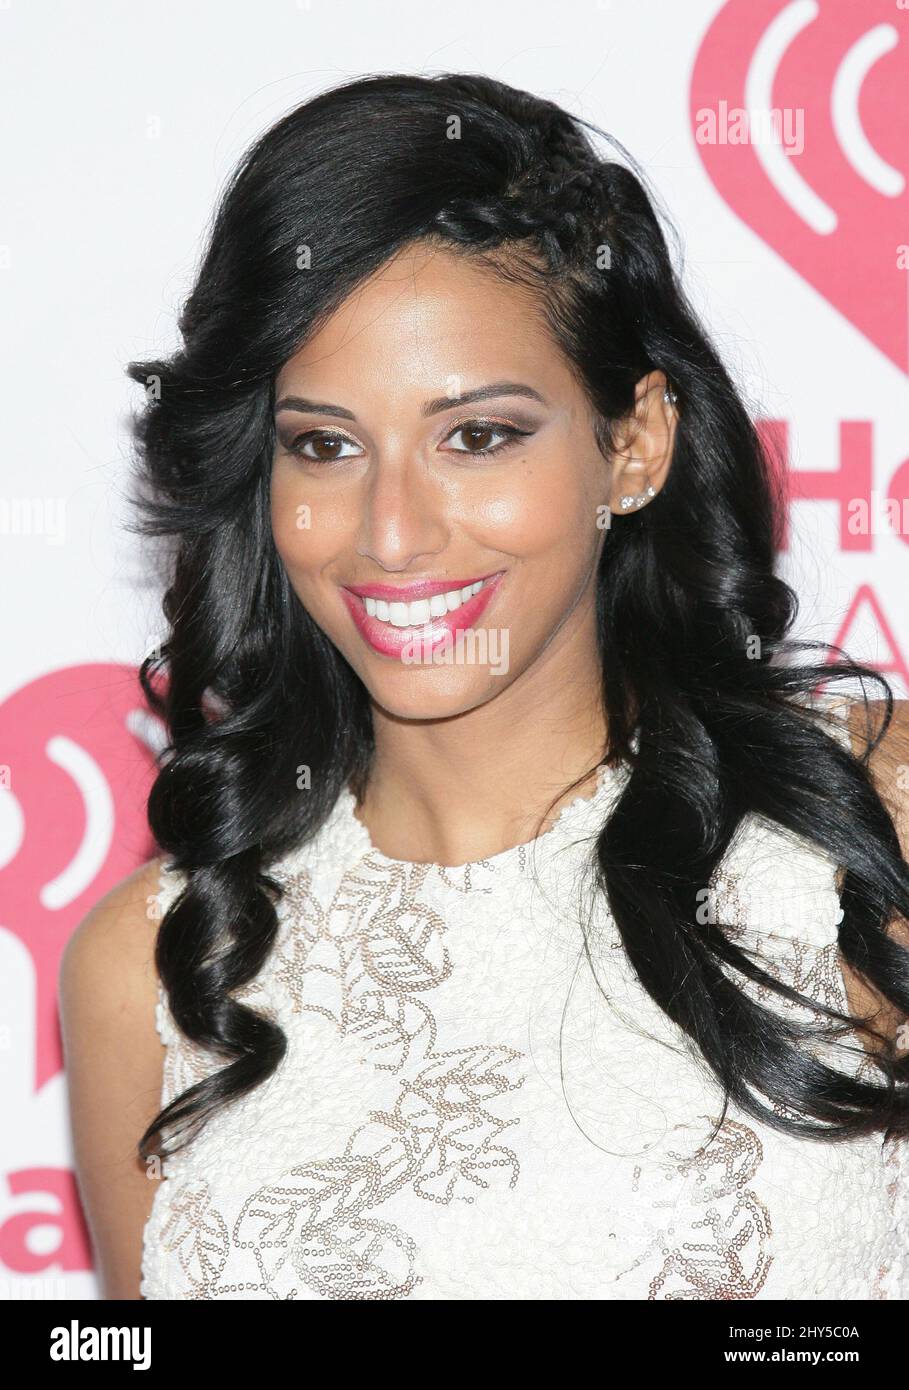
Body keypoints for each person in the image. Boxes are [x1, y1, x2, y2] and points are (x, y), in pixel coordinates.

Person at [59, 72, 909, 1301]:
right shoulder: (153, 965)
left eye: (478, 435)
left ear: (635, 443)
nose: (392, 534)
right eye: (325, 444)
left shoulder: (864, 816)